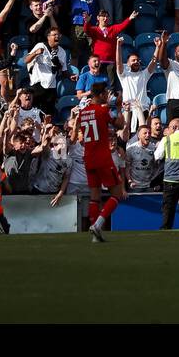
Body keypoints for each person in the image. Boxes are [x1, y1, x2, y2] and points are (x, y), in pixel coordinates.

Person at [76, 82, 125, 242]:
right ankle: (97, 225)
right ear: (102, 94)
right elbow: (120, 125)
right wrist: (118, 107)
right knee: (117, 193)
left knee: (94, 196)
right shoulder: (102, 111)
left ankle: (95, 237)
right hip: (102, 157)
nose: (107, 95)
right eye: (106, 93)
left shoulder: (83, 112)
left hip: (88, 157)